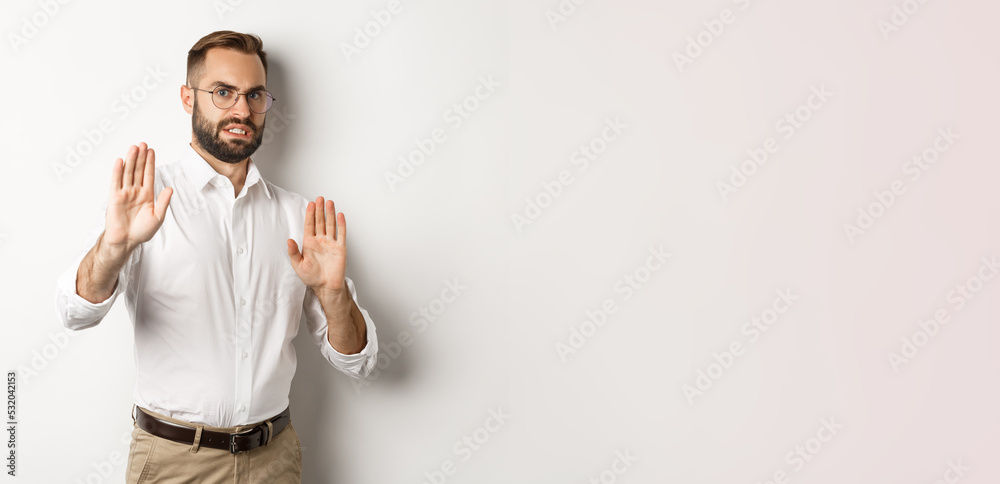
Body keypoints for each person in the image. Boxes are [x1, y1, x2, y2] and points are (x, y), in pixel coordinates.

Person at [53, 30, 378, 483]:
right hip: (173, 462)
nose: (241, 110)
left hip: (275, 460)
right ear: (188, 98)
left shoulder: (298, 216)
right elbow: (75, 313)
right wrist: (114, 246)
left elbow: (356, 361)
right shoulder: (145, 201)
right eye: (222, 92)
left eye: (255, 95)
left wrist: (333, 292)